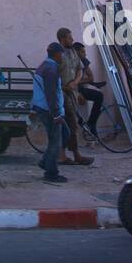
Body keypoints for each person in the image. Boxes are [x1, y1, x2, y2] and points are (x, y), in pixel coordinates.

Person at [55, 28, 94, 165]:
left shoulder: (72, 52)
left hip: (72, 92)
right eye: (69, 38)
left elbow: (79, 69)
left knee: (71, 124)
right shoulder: (57, 54)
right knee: (69, 123)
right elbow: (53, 76)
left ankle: (72, 154)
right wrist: (65, 86)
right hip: (61, 93)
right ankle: (67, 154)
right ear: (62, 38)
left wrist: (76, 83)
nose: (72, 40)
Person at [31, 43, 68, 184]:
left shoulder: (44, 66)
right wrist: (56, 114)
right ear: (56, 54)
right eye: (62, 54)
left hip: (44, 108)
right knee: (55, 142)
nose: (63, 57)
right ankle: (51, 173)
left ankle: (45, 161)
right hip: (49, 110)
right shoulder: (51, 69)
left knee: (65, 134)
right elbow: (51, 94)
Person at [74, 41, 105, 136]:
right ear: (76, 52)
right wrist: (78, 81)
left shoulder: (84, 61)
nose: (85, 54)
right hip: (71, 90)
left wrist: (77, 81)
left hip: (78, 88)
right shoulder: (71, 61)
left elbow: (91, 77)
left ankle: (91, 122)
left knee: (99, 96)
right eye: (82, 52)